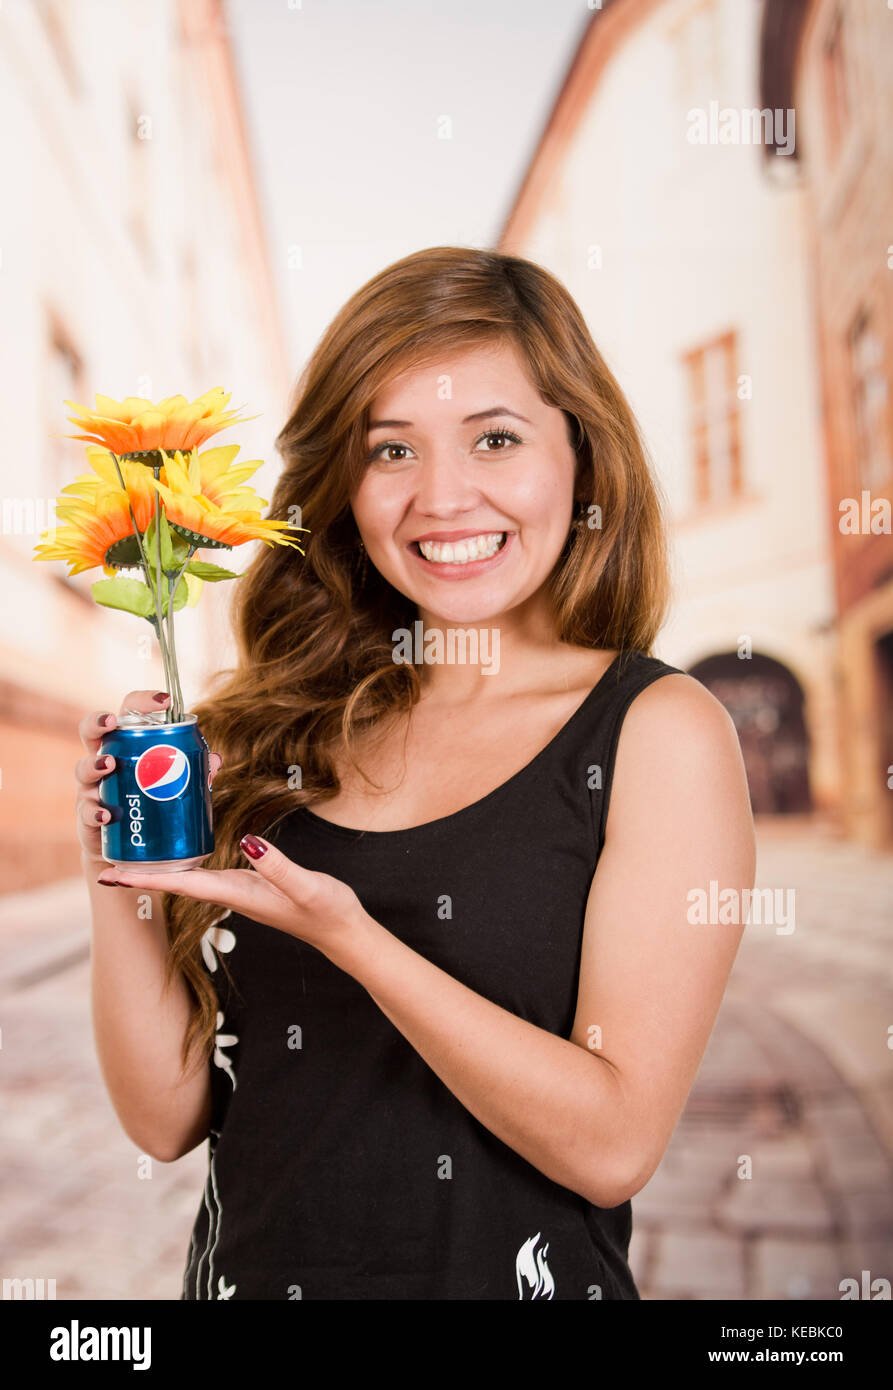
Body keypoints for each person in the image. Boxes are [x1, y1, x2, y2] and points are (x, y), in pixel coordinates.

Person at [76, 246, 755, 1301]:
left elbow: (612, 1143)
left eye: (494, 437)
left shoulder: (654, 733)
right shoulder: (273, 731)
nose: (441, 497)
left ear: (580, 454)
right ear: (340, 488)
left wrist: (353, 940)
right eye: (389, 450)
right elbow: (163, 1120)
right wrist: (114, 857)